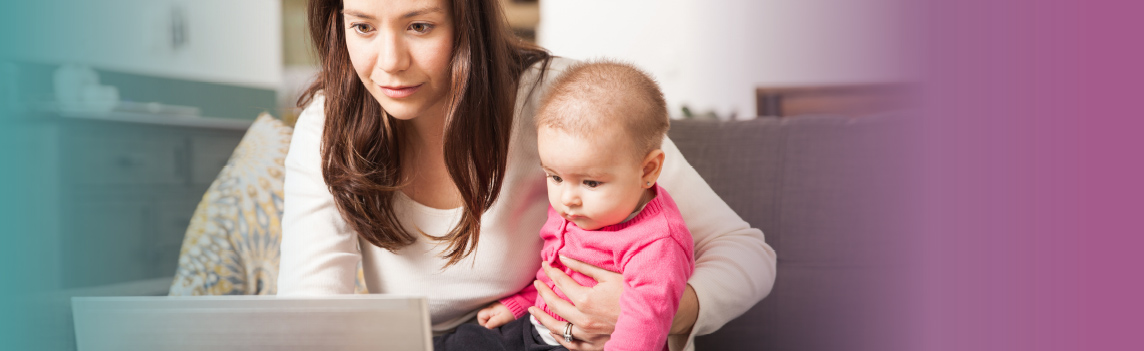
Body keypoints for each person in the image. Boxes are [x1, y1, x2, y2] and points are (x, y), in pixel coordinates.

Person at [276, 0, 777, 350]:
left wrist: (661, 308)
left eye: (420, 26)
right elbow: (314, 317)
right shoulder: (328, 125)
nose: (389, 62)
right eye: (362, 27)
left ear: (466, 20)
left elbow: (744, 250)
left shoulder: (566, 99)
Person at [466, 60, 694, 351]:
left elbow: (644, 325)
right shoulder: (580, 209)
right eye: (555, 176)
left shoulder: (657, 243)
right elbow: (558, 268)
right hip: (533, 327)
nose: (567, 198)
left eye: (591, 183)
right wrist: (521, 303)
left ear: (648, 170)